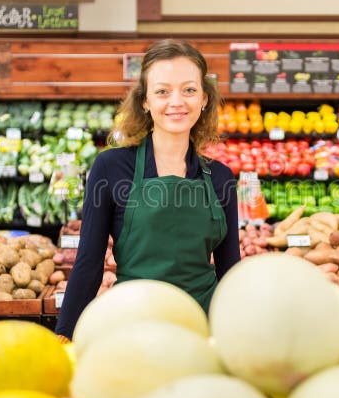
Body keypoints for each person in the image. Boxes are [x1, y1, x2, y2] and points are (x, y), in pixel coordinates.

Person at [55, 40, 240, 340]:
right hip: (134, 327)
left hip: (203, 331)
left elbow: (230, 270)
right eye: (163, 91)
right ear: (145, 101)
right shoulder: (111, 167)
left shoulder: (220, 177)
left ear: (204, 99)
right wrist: (63, 336)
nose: (177, 101)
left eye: (189, 90)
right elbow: (89, 263)